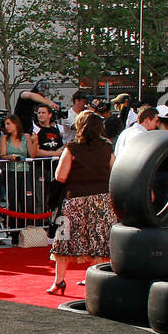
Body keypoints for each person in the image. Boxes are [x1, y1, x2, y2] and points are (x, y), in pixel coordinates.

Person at [49, 111, 116, 294]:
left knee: (64, 241)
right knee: (100, 242)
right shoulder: (107, 147)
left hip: (75, 200)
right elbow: (115, 170)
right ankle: (97, 280)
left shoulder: (72, 148)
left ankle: (59, 282)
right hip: (102, 200)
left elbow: (60, 176)